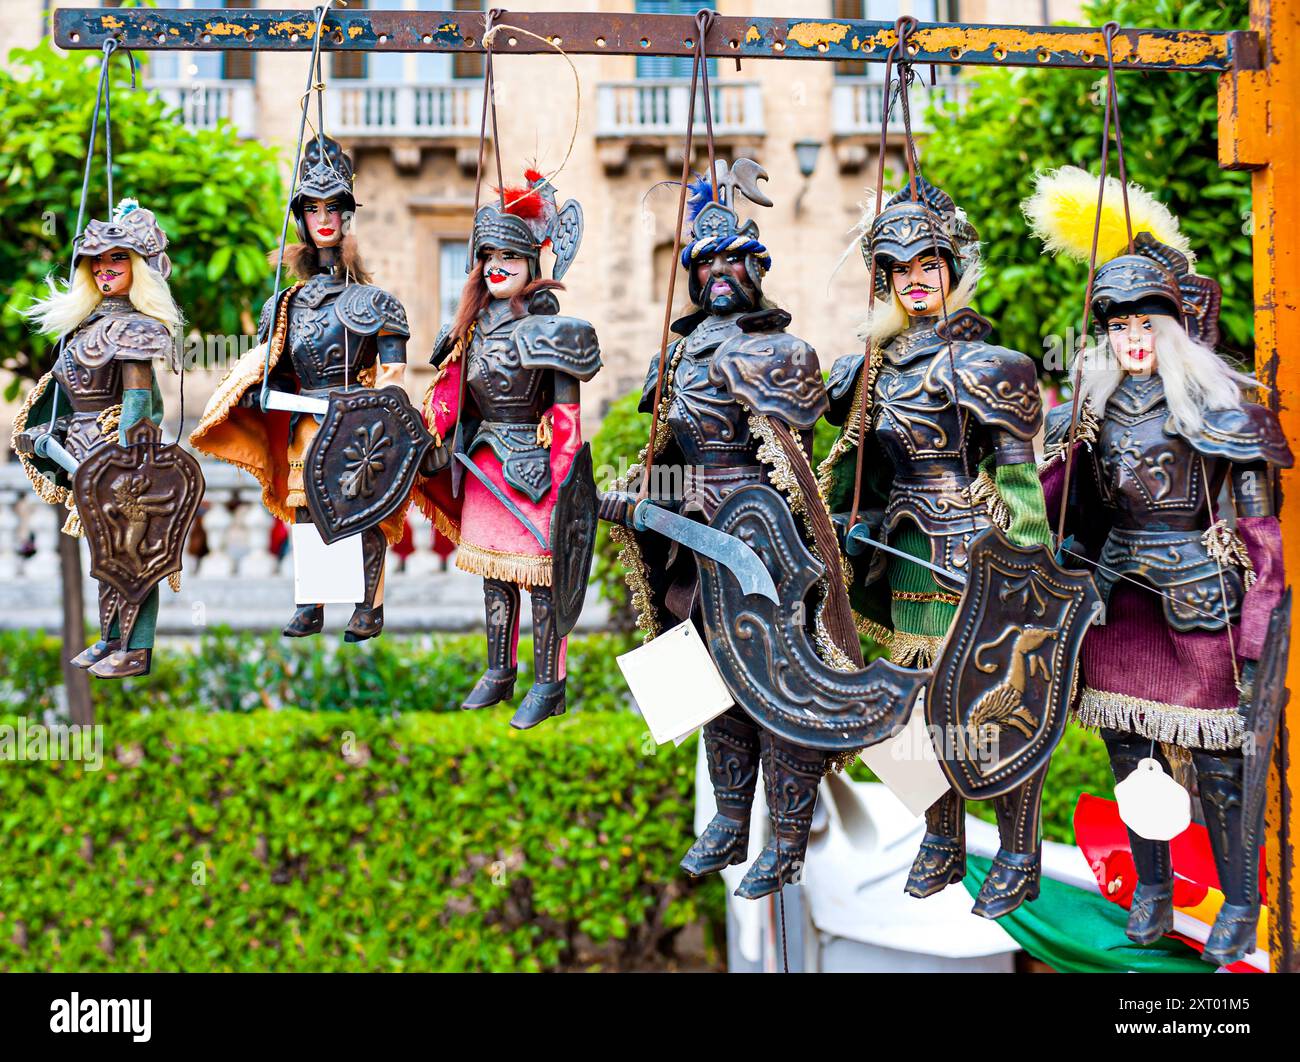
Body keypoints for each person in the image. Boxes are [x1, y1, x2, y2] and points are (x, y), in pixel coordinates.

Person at [1028, 167, 1292, 964]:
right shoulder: (1088, 407)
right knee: (1130, 756)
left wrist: (1257, 623)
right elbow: (1072, 511)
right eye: (1117, 326)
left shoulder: (1220, 406)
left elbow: (1261, 534)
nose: (1132, 339)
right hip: (1117, 598)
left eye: (1146, 323)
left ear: (1173, 326)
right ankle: (1152, 882)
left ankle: (1242, 901)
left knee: (1218, 761)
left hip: (1195, 596)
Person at [818, 177, 1055, 918]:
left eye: (928, 265)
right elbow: (849, 454)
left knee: (995, 704)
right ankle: (941, 834)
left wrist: (1029, 573)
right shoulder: (870, 369)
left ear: (951, 267)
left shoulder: (995, 366)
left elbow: (1018, 482)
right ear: (882, 279)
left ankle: (1019, 852)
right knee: (911, 709)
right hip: (901, 556)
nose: (916, 281)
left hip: (974, 550)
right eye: (899, 270)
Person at [191, 135, 412, 641]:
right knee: (310, 509)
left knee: (364, 510)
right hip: (305, 422)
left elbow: (394, 381)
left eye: (333, 207)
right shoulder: (284, 305)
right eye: (313, 208)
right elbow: (273, 366)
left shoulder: (375, 302)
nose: (324, 217)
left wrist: (376, 414)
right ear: (302, 219)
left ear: (347, 215)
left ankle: (368, 606)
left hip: (359, 424)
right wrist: (252, 389)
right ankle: (312, 601)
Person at [412, 171, 600, 730]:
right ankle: (499, 671)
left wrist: (568, 481)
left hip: (538, 470)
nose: (497, 264)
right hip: (482, 463)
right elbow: (453, 400)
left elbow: (566, 415)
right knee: (495, 576)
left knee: (543, 579)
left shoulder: (554, 330)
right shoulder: (466, 329)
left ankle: (549, 683)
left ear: (532, 263)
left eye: (509, 255)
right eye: (488, 254)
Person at [12, 199, 181, 678]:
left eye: (118, 259)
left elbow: (136, 404)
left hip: (118, 458)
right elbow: (68, 400)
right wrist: (51, 433)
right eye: (98, 261)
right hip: (82, 454)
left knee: (133, 557)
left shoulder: (135, 330)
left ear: (138, 269)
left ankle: (137, 647)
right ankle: (109, 637)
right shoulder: (83, 329)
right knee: (104, 556)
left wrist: (126, 460)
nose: (106, 269)